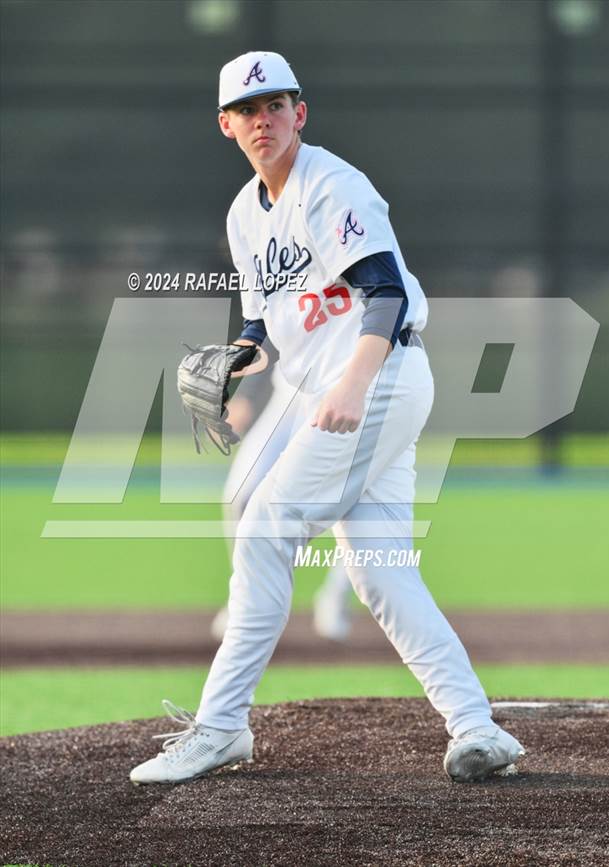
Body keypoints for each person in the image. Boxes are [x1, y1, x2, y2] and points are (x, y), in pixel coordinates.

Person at [130, 51, 525, 785]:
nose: (263, 119)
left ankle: (220, 726)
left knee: (264, 527)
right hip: (346, 390)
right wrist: (234, 366)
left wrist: (352, 383)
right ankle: (477, 727)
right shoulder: (244, 215)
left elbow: (385, 295)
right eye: (247, 110)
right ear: (226, 125)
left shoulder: (334, 185)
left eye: (276, 105)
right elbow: (263, 327)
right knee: (381, 573)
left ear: (299, 113)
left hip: (374, 381)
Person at [211, 359, 354, 643]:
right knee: (240, 495)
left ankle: (336, 596)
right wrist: (247, 396)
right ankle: (247, 597)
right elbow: (271, 329)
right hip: (290, 397)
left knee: (353, 505)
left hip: (346, 397)